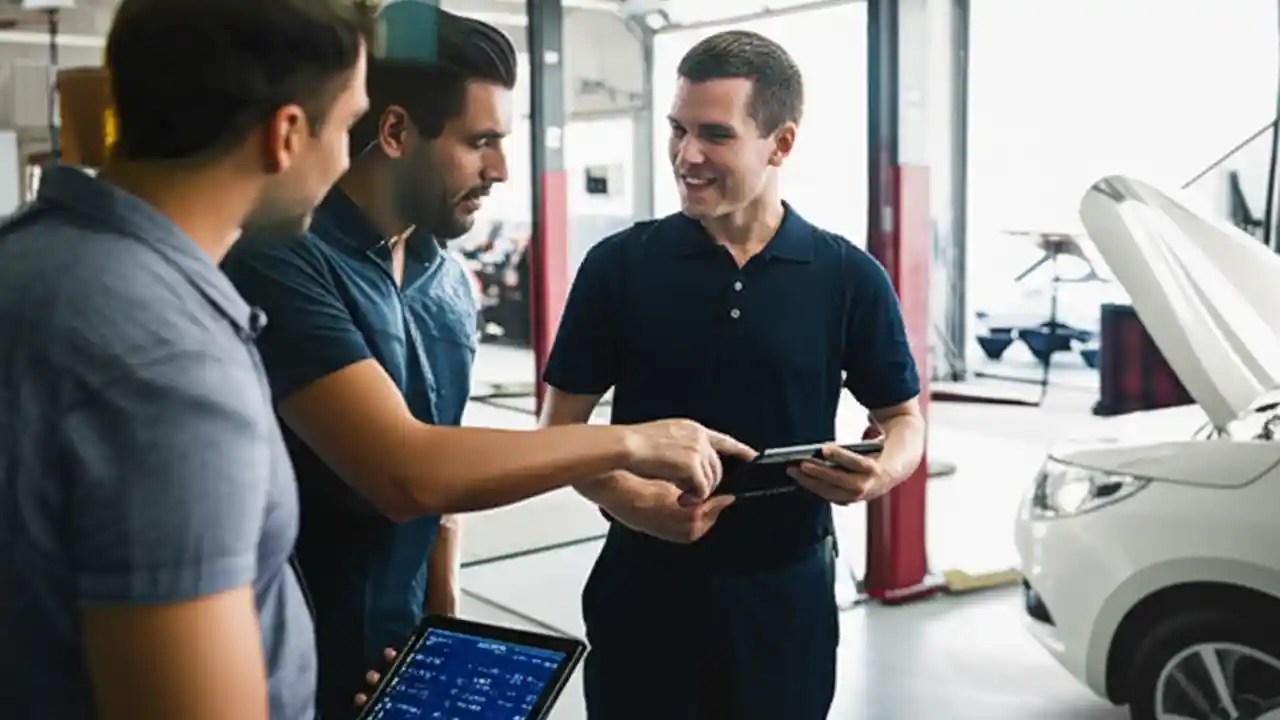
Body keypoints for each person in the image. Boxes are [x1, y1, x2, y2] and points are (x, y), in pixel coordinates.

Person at [220, 5, 754, 719]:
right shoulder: (284, 261)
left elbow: (443, 481)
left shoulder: (446, 282)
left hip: (394, 652)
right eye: (481, 143)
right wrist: (632, 440)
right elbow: (405, 473)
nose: (502, 170)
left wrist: (441, 626)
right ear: (397, 131)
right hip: (272, 663)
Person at [0, 1, 373, 719]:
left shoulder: (26, 261)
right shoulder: (168, 364)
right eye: (350, 125)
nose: (348, 159)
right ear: (287, 133)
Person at [540, 29, 927, 720]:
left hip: (788, 602)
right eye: (677, 130)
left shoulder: (847, 276)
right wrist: (628, 498)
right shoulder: (618, 268)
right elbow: (558, 432)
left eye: (714, 135)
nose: (687, 156)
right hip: (643, 593)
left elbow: (904, 420)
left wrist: (883, 472)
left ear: (779, 144)